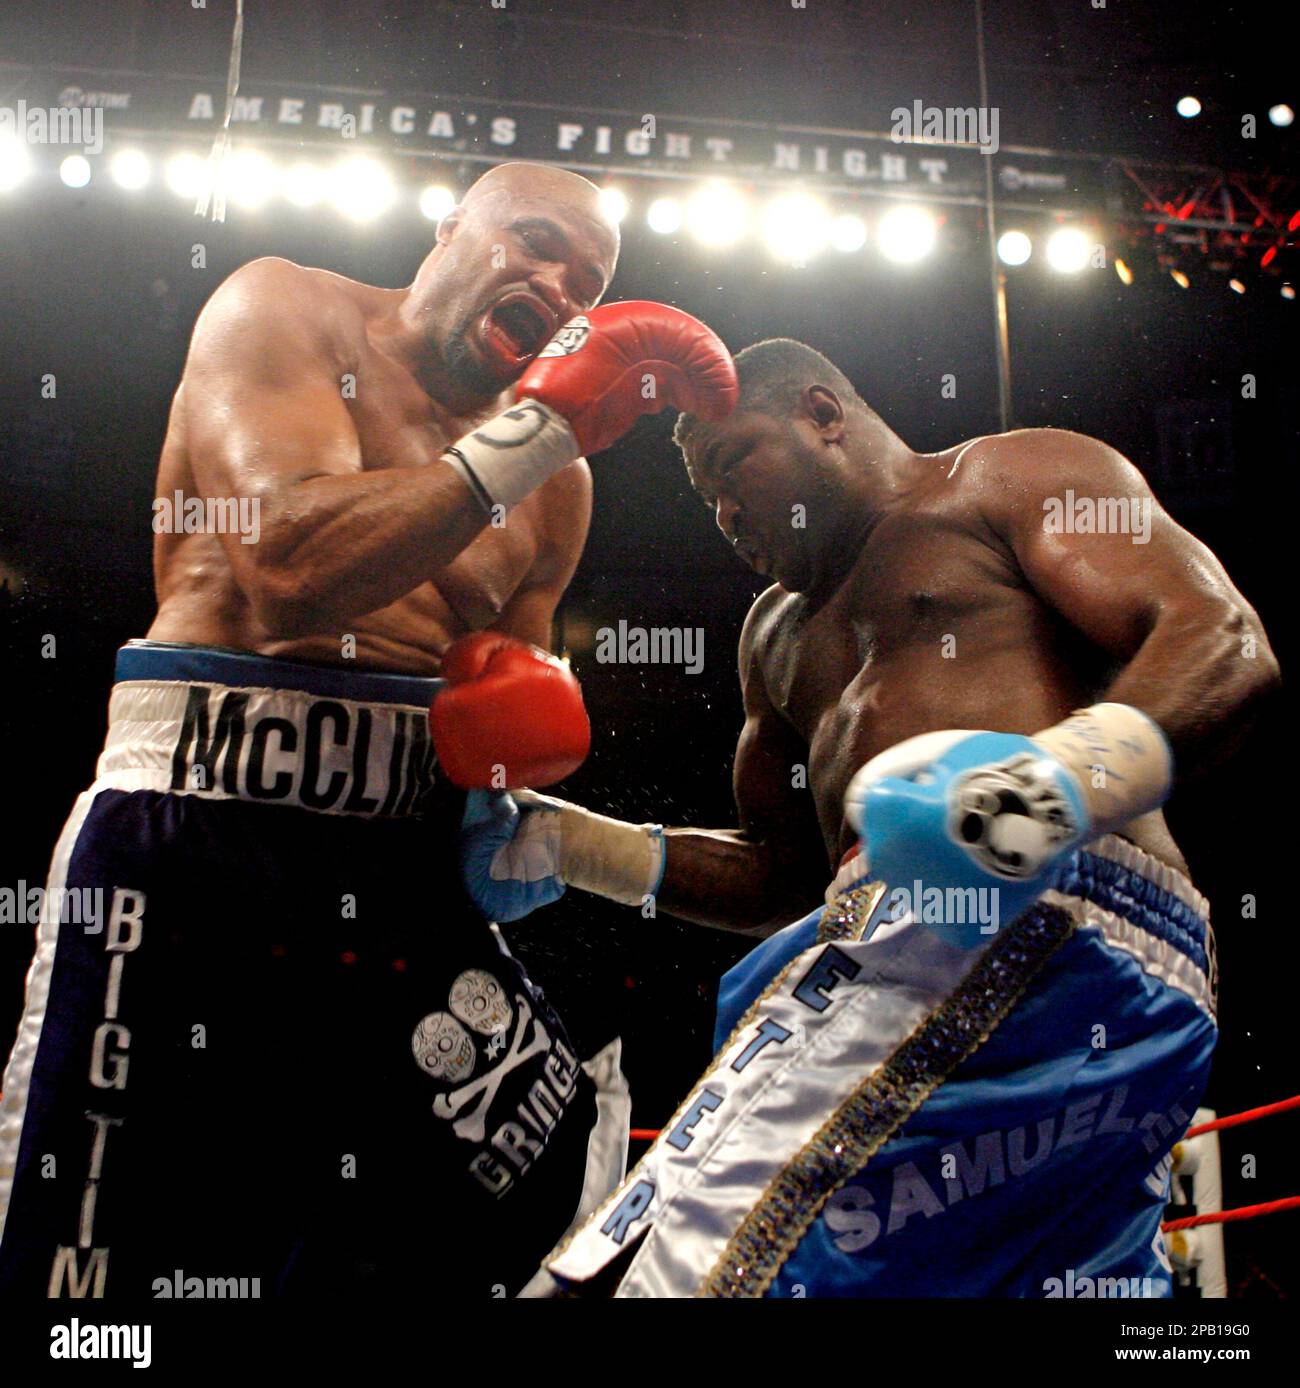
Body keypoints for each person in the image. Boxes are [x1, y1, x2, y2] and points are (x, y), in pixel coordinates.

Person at [0, 161, 737, 1298]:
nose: (555, 280)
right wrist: (534, 431)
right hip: (198, 829)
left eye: (584, 279)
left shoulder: (562, 487)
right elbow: (287, 565)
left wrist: (510, 795)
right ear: (449, 232)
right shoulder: (282, 308)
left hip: (400, 861)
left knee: (533, 1178)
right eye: (532, 242)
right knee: (97, 1259)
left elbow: (505, 705)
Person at [464, 338, 1280, 1297]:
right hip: (1093, 991)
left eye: (735, 466)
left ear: (822, 411)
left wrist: (1040, 793)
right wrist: (571, 843)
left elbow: (1221, 640)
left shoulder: (1002, 478)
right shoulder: (773, 636)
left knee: (663, 1261)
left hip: (1048, 906)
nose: (725, 513)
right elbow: (781, 875)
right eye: (705, 498)